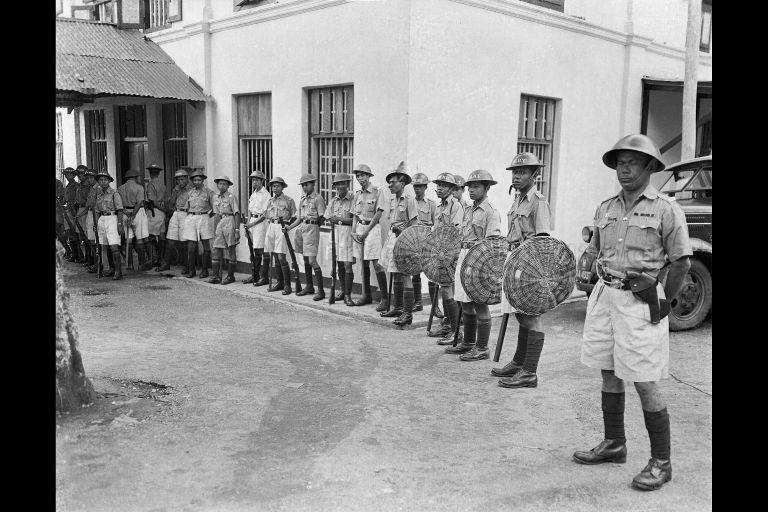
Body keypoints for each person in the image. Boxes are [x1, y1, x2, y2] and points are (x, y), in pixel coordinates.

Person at [572, 134, 692, 492]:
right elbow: (594, 249)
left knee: (644, 379)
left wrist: (660, 304)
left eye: (633, 162)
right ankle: (614, 443)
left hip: (640, 302)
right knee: (608, 372)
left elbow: (682, 263)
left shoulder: (666, 209)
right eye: (620, 163)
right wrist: (589, 267)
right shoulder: (606, 207)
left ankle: (661, 461)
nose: (624, 169)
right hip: (606, 297)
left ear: (650, 167)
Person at [494, 152, 552, 389]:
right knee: (520, 313)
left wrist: (534, 272)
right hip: (514, 259)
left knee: (532, 315)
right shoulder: (517, 200)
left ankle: (530, 372)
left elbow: (542, 240)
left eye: (522, 172)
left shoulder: (538, 202)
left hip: (530, 263)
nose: (517, 177)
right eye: (515, 172)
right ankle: (519, 363)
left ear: (534, 175)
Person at [445, 169, 502, 361]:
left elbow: (492, 243)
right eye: (469, 186)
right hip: (464, 256)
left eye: (476, 186)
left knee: (480, 303)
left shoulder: (491, 211)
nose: (471, 190)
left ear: (487, 188)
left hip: (480, 259)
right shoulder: (467, 209)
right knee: (464, 302)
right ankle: (468, 342)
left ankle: (482, 347)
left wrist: (484, 267)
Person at [378, 163, 419, 327]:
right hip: (392, 239)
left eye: (393, 182)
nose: (390, 185)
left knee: (405, 274)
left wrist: (401, 229)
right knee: (394, 273)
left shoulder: (409, 200)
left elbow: (415, 225)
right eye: (389, 182)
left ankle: (407, 314)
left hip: (404, 240)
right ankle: (398, 307)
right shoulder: (393, 199)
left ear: (402, 183)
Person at [429, 172, 465, 344]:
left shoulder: (456, 206)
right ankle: (449, 325)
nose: (439, 188)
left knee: (448, 289)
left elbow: (456, 232)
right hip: (440, 252)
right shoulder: (439, 207)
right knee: (444, 290)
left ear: (451, 189)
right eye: (438, 185)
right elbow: (435, 230)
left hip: (451, 253)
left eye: (443, 185)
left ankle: (456, 331)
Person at [351, 164, 388, 309]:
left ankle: (385, 299)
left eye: (362, 175)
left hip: (372, 229)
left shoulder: (377, 191)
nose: (360, 178)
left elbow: (378, 214)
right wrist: (354, 231)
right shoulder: (357, 194)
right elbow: (355, 214)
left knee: (376, 263)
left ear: (369, 176)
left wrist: (366, 231)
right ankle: (366, 295)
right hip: (360, 228)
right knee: (363, 263)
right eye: (358, 176)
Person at [285, 174, 326, 300]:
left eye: (307, 184)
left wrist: (313, 227)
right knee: (305, 258)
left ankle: (321, 291)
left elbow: (322, 218)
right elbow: (298, 218)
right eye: (302, 185)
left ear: (313, 184)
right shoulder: (302, 199)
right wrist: (289, 227)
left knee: (312, 260)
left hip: (312, 229)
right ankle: (309, 286)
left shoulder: (318, 198)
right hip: (302, 229)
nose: (304, 187)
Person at [410, 172, 438, 314]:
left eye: (420, 186)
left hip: (427, 241)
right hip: (414, 241)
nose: (417, 189)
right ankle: (418, 302)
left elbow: (435, 224)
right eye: (415, 186)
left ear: (425, 187)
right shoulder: (410, 202)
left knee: (431, 273)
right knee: (415, 272)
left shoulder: (432, 204)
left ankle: (435, 307)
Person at [263, 176, 297, 294]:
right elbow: (267, 215)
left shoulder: (289, 200)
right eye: (273, 186)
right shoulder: (270, 201)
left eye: (277, 185)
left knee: (281, 257)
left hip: (282, 228)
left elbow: (294, 217)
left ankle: (287, 285)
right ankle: (279, 282)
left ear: (282, 187)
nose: (275, 188)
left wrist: (287, 227)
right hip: (271, 226)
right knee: (274, 255)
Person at [327, 173, 356, 306]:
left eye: (342, 183)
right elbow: (327, 216)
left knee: (348, 264)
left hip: (347, 232)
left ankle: (348, 296)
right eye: (337, 184)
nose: (340, 187)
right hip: (335, 233)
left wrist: (338, 219)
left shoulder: (353, 199)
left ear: (348, 185)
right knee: (338, 264)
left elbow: (355, 220)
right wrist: (333, 220)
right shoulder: (333, 201)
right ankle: (343, 291)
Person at [157, 168, 193, 272]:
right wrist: (175, 192)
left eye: (182, 179)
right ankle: (166, 264)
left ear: (187, 179)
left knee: (184, 241)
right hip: (176, 213)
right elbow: (171, 204)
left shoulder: (191, 190)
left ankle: (186, 265)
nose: (180, 182)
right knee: (170, 240)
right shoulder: (176, 189)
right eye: (178, 180)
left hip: (186, 214)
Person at [181, 169, 216, 278]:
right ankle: (192, 271)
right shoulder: (190, 192)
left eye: (199, 180)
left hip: (204, 217)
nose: (197, 182)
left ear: (203, 180)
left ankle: (204, 270)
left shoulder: (209, 192)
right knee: (191, 246)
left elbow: (215, 209)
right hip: (191, 217)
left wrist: (206, 216)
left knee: (206, 246)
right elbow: (187, 208)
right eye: (195, 180)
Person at [117, 169, 153, 271]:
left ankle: (130, 264)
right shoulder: (139, 187)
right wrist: (133, 214)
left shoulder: (120, 188)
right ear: (135, 177)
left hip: (125, 213)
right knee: (140, 238)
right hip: (137, 213)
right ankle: (141, 264)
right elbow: (139, 203)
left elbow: (118, 204)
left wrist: (126, 212)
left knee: (128, 239)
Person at [208, 176, 240, 285]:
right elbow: (216, 214)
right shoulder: (215, 197)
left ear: (228, 186)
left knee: (231, 249)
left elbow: (236, 213)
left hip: (230, 221)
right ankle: (216, 276)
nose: (222, 186)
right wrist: (216, 229)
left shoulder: (231, 197)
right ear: (217, 185)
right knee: (216, 248)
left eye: (224, 184)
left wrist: (237, 230)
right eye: (220, 183)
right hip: (220, 222)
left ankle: (231, 276)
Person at [93, 171, 125, 280]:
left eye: (105, 180)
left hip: (112, 218)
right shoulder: (99, 194)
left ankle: (118, 271)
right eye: (101, 180)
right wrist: (96, 224)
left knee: (114, 246)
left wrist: (120, 224)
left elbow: (120, 209)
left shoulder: (114, 193)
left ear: (109, 181)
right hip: (102, 219)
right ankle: (111, 268)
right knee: (105, 246)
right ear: (98, 182)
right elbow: (97, 210)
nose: (103, 182)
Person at [242, 170, 271, 286]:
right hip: (252, 222)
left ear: (262, 181)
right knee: (252, 249)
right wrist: (248, 224)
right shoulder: (253, 194)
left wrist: (252, 224)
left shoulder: (266, 195)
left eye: (257, 180)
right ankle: (254, 275)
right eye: (253, 180)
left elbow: (264, 215)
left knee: (259, 250)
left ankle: (262, 277)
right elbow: (250, 210)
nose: (254, 182)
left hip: (260, 223)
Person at [145, 163, 167, 269]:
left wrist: (163, 209)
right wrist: (165, 210)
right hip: (161, 212)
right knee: (161, 235)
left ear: (150, 173)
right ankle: (161, 259)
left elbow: (153, 202)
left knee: (151, 236)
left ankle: (155, 259)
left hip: (154, 211)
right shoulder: (162, 184)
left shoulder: (150, 185)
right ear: (159, 173)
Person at [75, 167, 97, 271]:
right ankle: (90, 261)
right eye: (88, 177)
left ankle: (95, 263)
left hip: (93, 214)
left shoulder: (96, 188)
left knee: (92, 240)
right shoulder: (89, 187)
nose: (89, 179)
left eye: (91, 177)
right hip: (86, 212)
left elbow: (91, 205)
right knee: (86, 238)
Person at [62, 167, 82, 262]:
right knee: (69, 233)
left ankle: (78, 254)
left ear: (74, 175)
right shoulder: (67, 186)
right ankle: (74, 254)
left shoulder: (76, 186)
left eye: (69, 174)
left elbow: (77, 200)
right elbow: (64, 200)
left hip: (73, 211)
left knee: (75, 233)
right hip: (67, 211)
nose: (67, 176)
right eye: (66, 174)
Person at [55, 176, 72, 261]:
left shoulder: (58, 183)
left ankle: (68, 250)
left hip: (57, 210)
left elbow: (60, 196)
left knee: (60, 232)